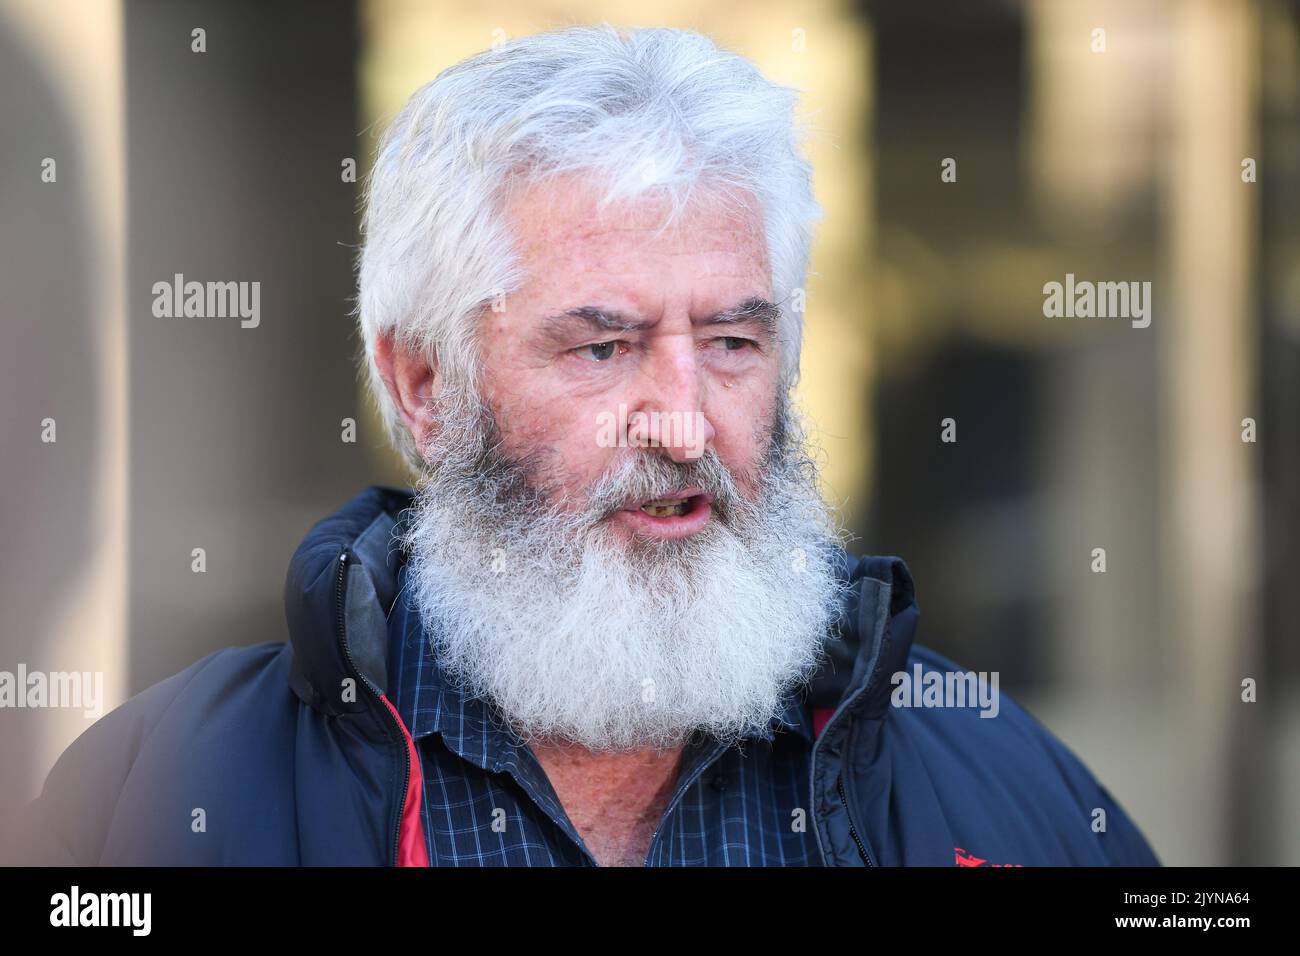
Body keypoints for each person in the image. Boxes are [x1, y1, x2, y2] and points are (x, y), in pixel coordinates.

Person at [6, 23, 1158, 867]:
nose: (684, 419)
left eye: (731, 340)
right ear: (424, 385)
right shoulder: (147, 805)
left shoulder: (1011, 790)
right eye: (603, 347)